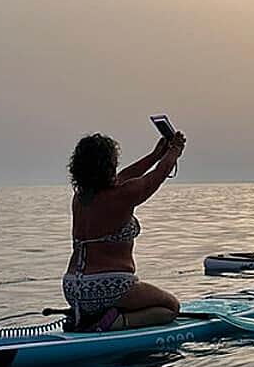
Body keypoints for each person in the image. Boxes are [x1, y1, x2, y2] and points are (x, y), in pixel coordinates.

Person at [63, 130, 186, 332]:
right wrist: (175, 151)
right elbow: (157, 176)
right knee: (170, 306)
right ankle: (115, 323)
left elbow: (125, 176)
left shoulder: (80, 198)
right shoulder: (123, 195)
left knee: (104, 299)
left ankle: (91, 316)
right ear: (109, 165)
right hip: (111, 286)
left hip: (73, 289)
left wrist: (155, 155)